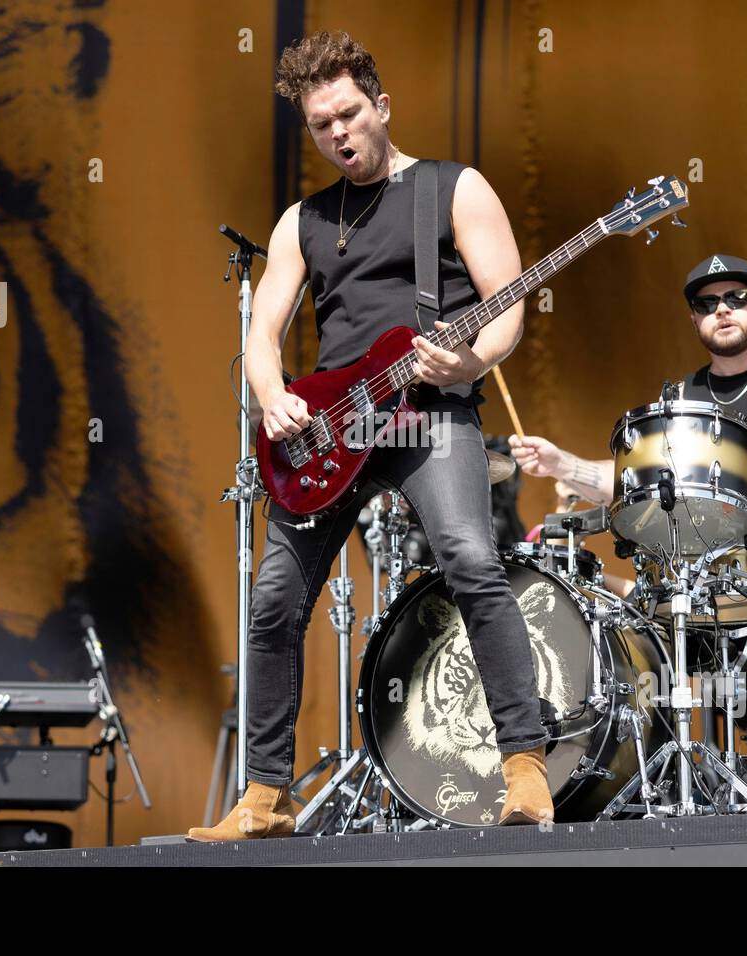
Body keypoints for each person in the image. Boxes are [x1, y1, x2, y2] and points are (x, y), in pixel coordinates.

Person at [188, 31, 552, 841]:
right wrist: (273, 394)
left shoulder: (453, 188)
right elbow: (261, 335)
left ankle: (525, 768)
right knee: (274, 604)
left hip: (428, 409)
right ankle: (267, 798)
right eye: (321, 125)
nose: (339, 133)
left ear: (381, 106)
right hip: (330, 427)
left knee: (469, 558)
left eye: (349, 114)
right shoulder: (301, 221)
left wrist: (469, 361)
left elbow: (509, 303)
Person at [509, 254, 747, 727]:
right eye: (707, 302)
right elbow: (632, 484)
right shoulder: (681, 399)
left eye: (737, 298)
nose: (723, 309)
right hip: (702, 584)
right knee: (634, 630)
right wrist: (561, 463)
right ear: (694, 317)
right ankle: (663, 785)